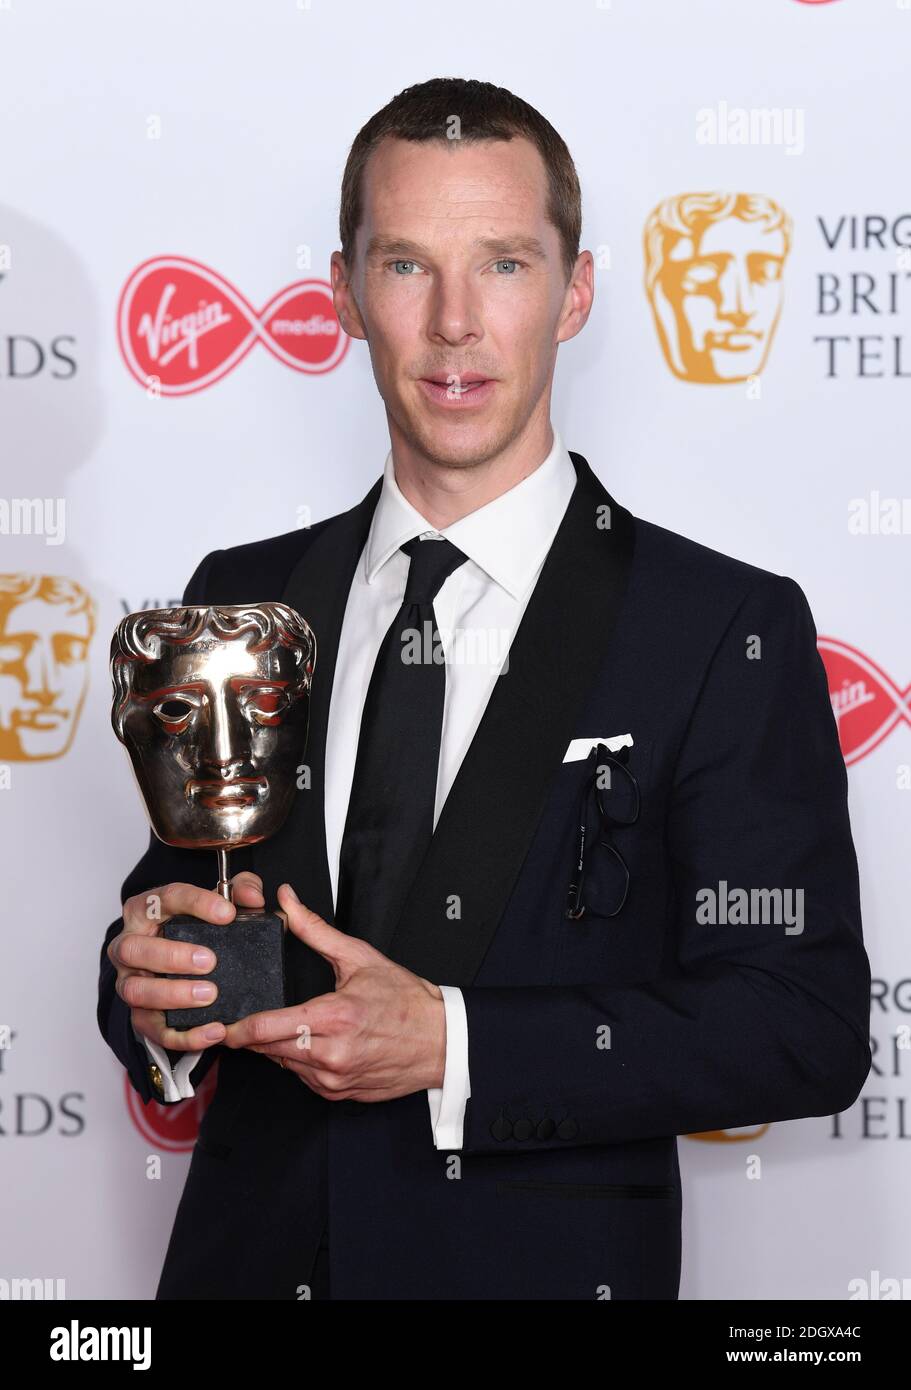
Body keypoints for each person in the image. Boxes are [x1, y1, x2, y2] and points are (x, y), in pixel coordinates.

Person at [97, 76, 871, 1301]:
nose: (455, 322)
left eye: (502, 265)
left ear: (573, 294)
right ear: (347, 293)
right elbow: (178, 920)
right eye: (405, 266)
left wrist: (457, 1045)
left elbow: (799, 1023)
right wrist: (152, 996)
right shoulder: (242, 598)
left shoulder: (718, 626)